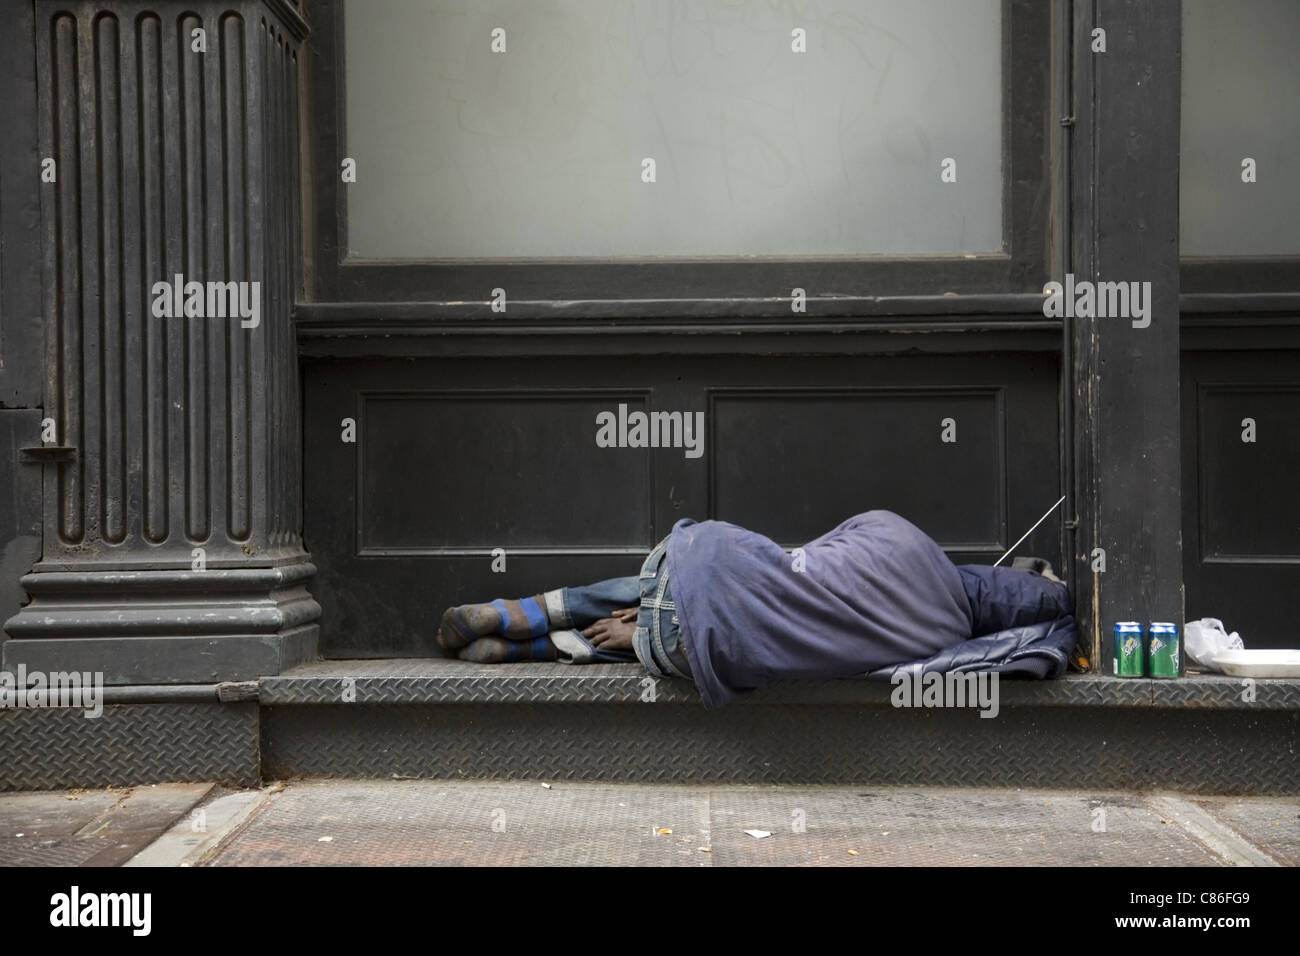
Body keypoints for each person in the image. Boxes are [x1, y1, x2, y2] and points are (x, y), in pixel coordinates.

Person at [438, 510, 1075, 709]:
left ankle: (525, 611)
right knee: (700, 620)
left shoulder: (897, 533)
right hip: (689, 654)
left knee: (721, 564)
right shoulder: (939, 648)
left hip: (680, 574)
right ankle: (548, 647)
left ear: (988, 576)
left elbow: (800, 562)